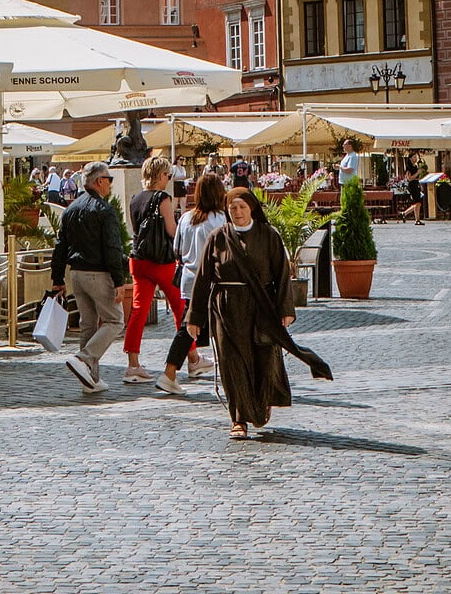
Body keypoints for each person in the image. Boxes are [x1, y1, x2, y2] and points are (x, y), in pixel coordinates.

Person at [186, 188, 332, 439]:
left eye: (242, 207)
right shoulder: (217, 238)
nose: (238, 212)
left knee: (263, 360)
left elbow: (282, 275)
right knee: (232, 363)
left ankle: (261, 402)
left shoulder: (268, 236)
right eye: (232, 208)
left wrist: (285, 309)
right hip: (227, 309)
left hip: (261, 308)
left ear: (251, 208)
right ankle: (238, 419)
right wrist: (195, 317)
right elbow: (202, 280)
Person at [51, 161, 126, 395]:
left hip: (77, 274)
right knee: (115, 321)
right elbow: (112, 247)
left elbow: (60, 246)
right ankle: (84, 360)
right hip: (98, 273)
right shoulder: (104, 210)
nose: (111, 184)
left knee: (88, 324)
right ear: (99, 181)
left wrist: (57, 278)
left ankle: (90, 381)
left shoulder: (71, 210)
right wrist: (120, 281)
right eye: (109, 179)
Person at [156, 173, 226, 395]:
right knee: (224, 325)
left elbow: (176, 248)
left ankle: (170, 371)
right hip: (212, 280)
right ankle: (228, 370)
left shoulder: (186, 218)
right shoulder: (220, 219)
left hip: (188, 279)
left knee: (189, 327)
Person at [123, 156, 185, 384]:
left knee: (138, 310)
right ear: (161, 176)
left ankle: (133, 364)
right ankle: (192, 355)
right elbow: (171, 230)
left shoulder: (135, 198)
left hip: (139, 260)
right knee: (180, 306)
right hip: (161, 260)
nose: (168, 179)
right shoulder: (163, 198)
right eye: (168, 175)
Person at [401, 151, 425, 224]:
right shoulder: (409, 167)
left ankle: (406, 214)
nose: (415, 158)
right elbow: (409, 178)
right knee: (417, 202)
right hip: (412, 185)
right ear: (410, 158)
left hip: (416, 184)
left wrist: (420, 184)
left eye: (416, 157)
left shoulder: (415, 166)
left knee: (418, 203)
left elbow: (417, 178)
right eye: (414, 157)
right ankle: (416, 219)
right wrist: (417, 173)